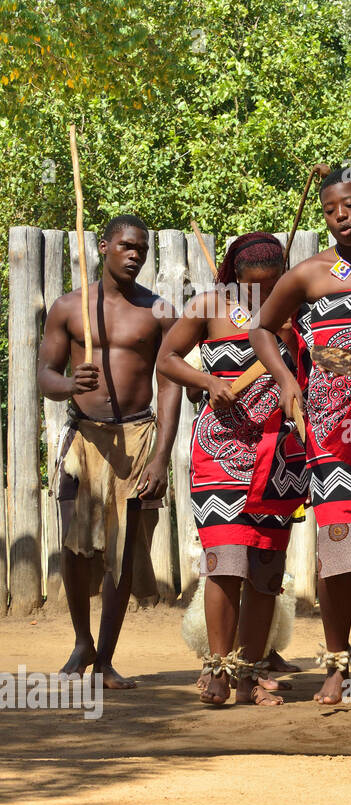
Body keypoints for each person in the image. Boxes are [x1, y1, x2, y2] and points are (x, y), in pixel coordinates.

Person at [248, 167, 351, 715]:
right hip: (331, 429)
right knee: (339, 552)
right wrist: (288, 379)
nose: (342, 216)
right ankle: (338, 663)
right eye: (332, 208)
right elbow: (261, 328)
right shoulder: (309, 274)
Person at [158, 233, 308, 704]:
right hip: (219, 450)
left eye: (271, 284)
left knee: (265, 566)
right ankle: (219, 670)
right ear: (234, 278)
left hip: (277, 455)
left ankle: (248, 675)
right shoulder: (209, 306)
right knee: (225, 563)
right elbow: (167, 359)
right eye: (253, 286)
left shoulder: (295, 311)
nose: (261, 294)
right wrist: (206, 381)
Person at [40, 214, 182, 689]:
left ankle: (105, 658)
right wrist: (66, 384)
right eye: (125, 246)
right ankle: (82, 642)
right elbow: (43, 374)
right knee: (75, 548)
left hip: (137, 439)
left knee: (121, 554)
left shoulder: (158, 312)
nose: (134, 255)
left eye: (141, 248)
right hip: (83, 439)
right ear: (103, 247)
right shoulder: (68, 307)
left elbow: (170, 386)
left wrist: (161, 456)